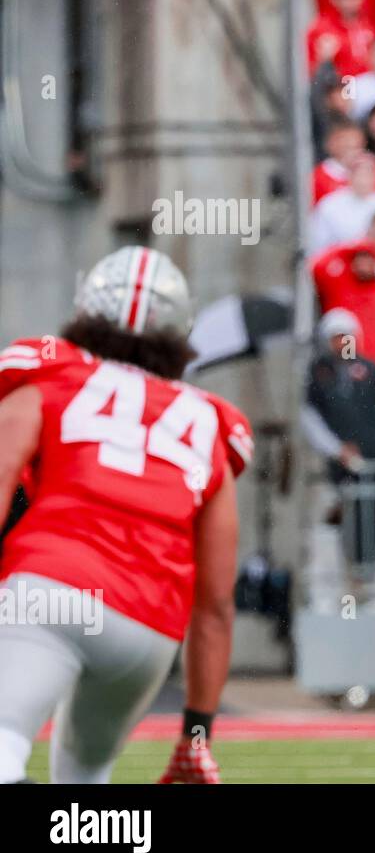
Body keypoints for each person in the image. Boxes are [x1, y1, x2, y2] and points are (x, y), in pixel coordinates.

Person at [0, 247, 252, 784]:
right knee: (86, 788)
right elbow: (215, 606)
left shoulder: (52, 374)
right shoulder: (208, 422)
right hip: (147, 630)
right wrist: (197, 734)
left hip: (52, 589)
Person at [301, 309, 375, 572]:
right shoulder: (319, 372)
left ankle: (371, 569)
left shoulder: (369, 369)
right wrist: (336, 449)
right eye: (336, 336)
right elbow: (311, 417)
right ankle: (352, 574)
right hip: (343, 465)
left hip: (374, 458)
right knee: (349, 517)